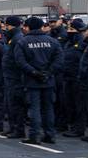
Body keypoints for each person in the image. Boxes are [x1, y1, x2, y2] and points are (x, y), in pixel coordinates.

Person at [12, 16, 61, 144]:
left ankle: (34, 135)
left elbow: (20, 61)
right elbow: (59, 60)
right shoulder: (52, 41)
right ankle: (50, 135)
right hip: (48, 80)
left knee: (34, 109)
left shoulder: (23, 42)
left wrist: (34, 72)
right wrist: (48, 72)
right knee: (48, 108)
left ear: (28, 27)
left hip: (31, 80)